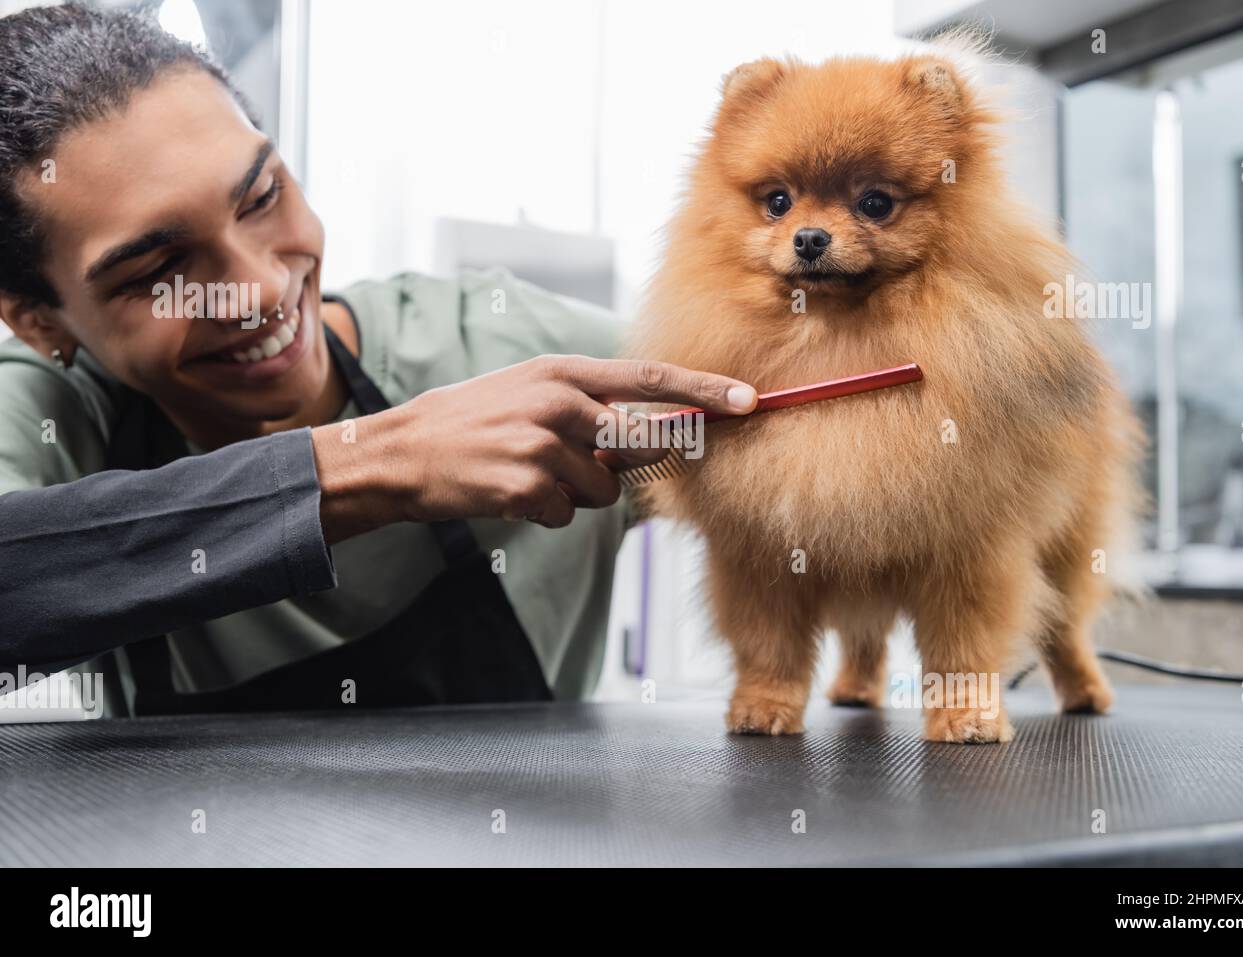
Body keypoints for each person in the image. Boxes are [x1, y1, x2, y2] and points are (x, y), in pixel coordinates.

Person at [0, 5, 756, 717]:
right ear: (38, 322)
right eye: (160, 268)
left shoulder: (506, 348)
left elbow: (769, 413)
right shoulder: (54, 417)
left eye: (261, 196)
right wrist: (378, 463)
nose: (260, 290)